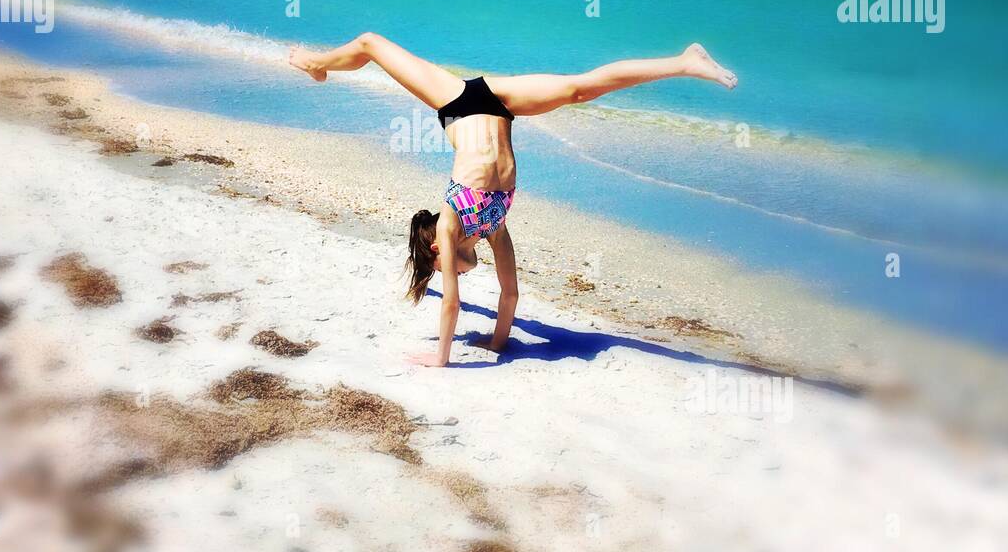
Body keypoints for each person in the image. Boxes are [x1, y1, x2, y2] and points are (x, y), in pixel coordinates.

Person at [289, 33, 736, 366]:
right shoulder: (492, 226)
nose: (458, 274)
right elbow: (510, 294)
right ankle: (682, 63)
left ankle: (315, 63)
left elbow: (452, 304)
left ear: (437, 250)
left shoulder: (448, 225)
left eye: (448, 269)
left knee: (370, 43)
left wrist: (441, 358)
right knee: (579, 90)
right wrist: (498, 343)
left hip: (458, 102)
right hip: (499, 102)